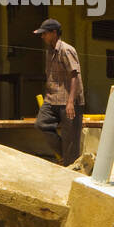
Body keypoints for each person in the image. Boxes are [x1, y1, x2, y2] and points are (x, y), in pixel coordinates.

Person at [34, 18, 83, 165]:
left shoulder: (66, 50)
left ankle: (71, 165)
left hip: (69, 100)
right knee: (41, 124)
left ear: (54, 33)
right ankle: (66, 154)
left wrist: (70, 102)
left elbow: (74, 75)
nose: (42, 36)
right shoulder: (49, 51)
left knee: (70, 140)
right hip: (52, 98)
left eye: (44, 33)